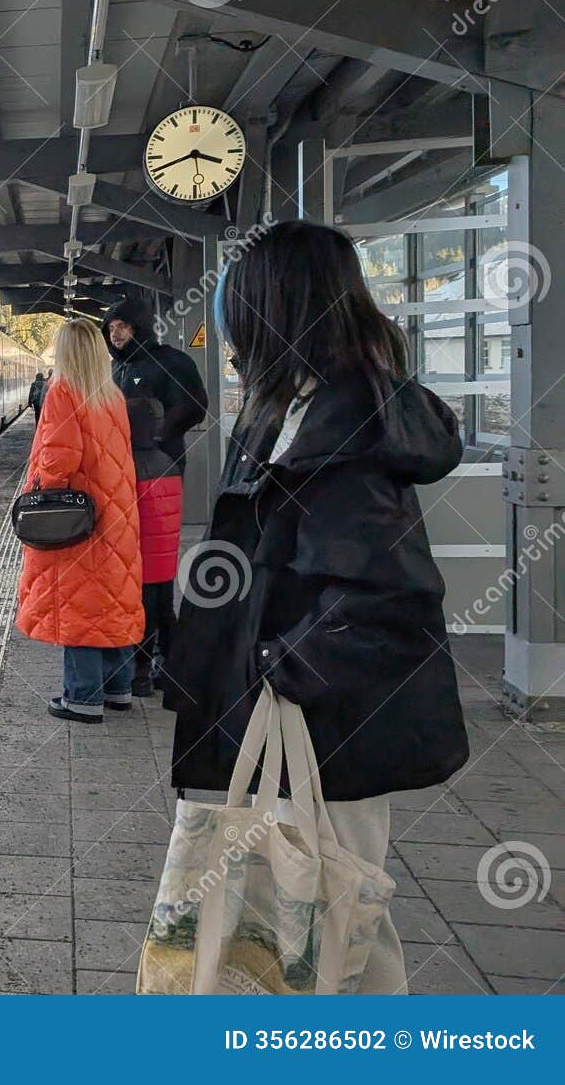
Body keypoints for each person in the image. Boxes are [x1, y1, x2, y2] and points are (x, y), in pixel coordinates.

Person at [165, 220, 469, 994]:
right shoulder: (292, 408)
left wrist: (274, 668)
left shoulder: (349, 424)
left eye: (243, 315)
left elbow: (389, 605)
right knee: (334, 919)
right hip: (295, 722)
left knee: (340, 916)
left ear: (277, 310)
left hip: (323, 731)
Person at [14, 318, 144, 723]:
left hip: (81, 516)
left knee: (81, 602)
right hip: (117, 509)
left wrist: (40, 490)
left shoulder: (63, 391)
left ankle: (82, 697)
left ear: (66, 352)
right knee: (112, 596)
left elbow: (59, 455)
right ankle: (119, 688)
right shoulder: (112, 395)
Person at [103, 298, 207, 696]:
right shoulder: (119, 367)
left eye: (123, 327)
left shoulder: (171, 361)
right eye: (111, 328)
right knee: (143, 570)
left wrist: (160, 438)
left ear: (141, 327)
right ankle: (161, 656)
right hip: (129, 475)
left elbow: (197, 405)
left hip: (160, 475)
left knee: (155, 571)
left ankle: (150, 661)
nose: (116, 335)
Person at [123, 393, 183, 699]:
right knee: (165, 611)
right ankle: (171, 669)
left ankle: (141, 674)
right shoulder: (168, 462)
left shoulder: (127, 467)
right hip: (166, 557)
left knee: (142, 615)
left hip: (140, 559)